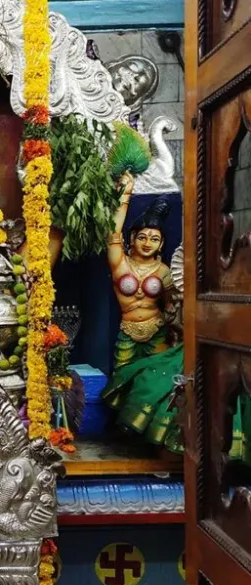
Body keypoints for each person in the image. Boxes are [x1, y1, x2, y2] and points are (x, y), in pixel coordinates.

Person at [102, 174, 183, 449]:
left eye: (155, 239)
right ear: (132, 239)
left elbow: (173, 305)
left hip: (157, 331)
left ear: (162, 245)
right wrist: (125, 197)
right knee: (121, 381)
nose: (148, 243)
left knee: (157, 384)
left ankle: (153, 441)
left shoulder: (165, 272)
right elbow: (112, 233)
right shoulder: (120, 265)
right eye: (143, 237)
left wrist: (177, 329)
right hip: (127, 331)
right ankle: (123, 438)